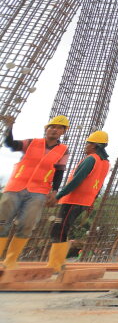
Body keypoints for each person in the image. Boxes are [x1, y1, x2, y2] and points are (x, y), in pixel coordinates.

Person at [0, 114, 70, 268]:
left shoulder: (63, 150)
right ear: (46, 129)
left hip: (38, 191)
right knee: (2, 222)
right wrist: (9, 127)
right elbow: (10, 144)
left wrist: (55, 191)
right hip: (15, 187)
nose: (54, 130)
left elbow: (59, 171)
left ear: (63, 132)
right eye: (52, 127)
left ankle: (10, 260)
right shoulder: (31, 143)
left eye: (59, 128)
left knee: (27, 225)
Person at [48, 130, 110, 271]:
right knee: (60, 229)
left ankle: (56, 264)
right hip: (84, 201)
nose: (85, 146)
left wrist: (58, 196)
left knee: (59, 229)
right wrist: (92, 202)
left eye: (87, 143)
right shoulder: (105, 163)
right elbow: (98, 184)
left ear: (94, 145)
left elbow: (76, 181)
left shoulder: (90, 159)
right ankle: (56, 263)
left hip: (73, 200)